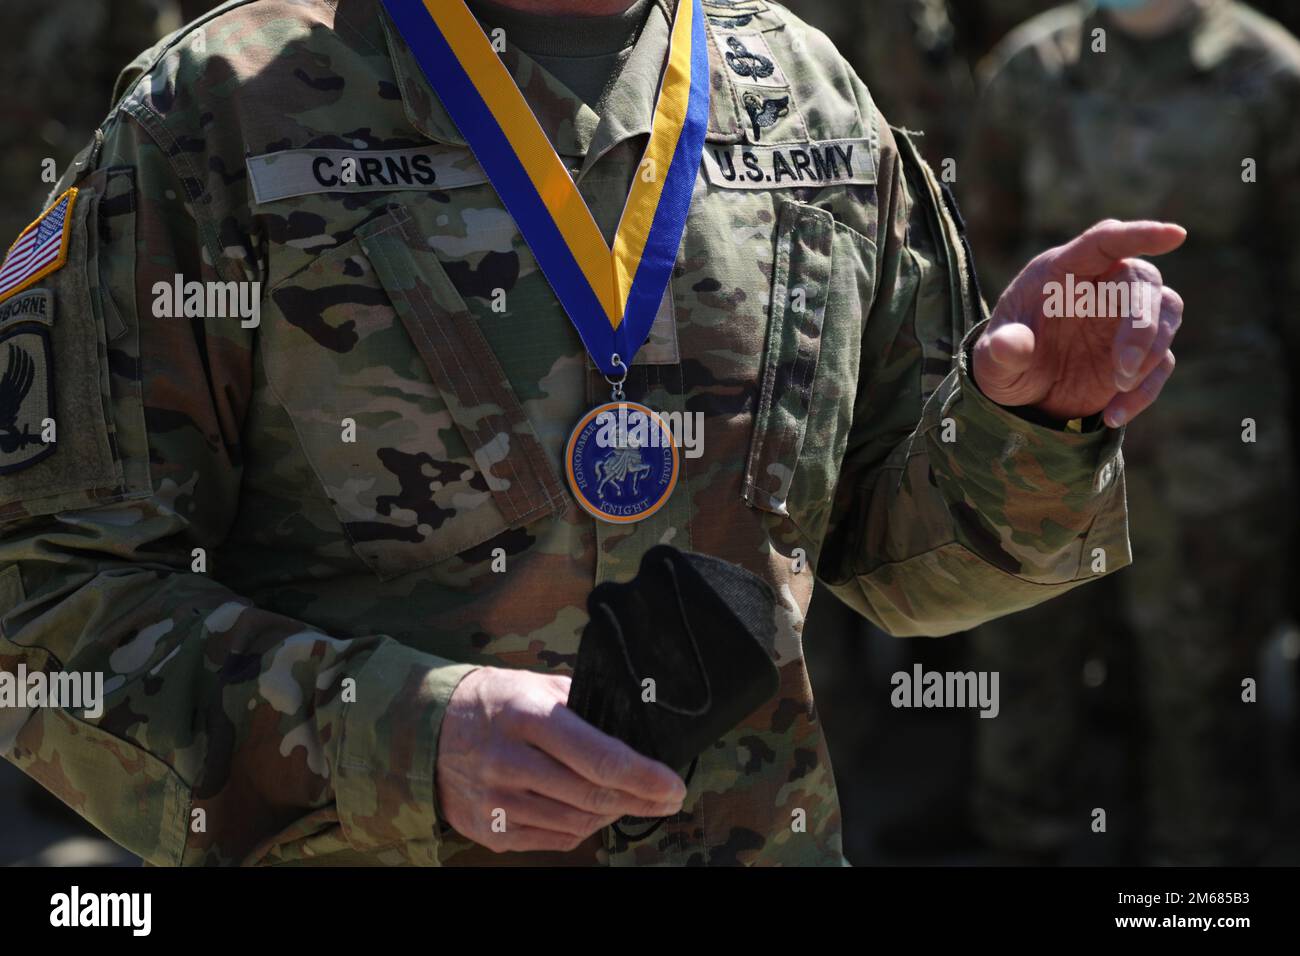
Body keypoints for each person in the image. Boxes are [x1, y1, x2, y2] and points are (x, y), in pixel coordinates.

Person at [0, 0, 1183, 866]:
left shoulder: (805, 91)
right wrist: (408, 736)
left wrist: (1025, 419)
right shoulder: (219, 104)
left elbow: (899, 562)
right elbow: (39, 603)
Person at [963, 0, 1300, 864]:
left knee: (1205, 689)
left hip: (1214, 450)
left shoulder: (1269, 73)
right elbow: (981, 249)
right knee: (1031, 675)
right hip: (1044, 440)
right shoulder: (1035, 68)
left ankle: (1195, 895)